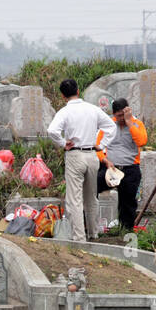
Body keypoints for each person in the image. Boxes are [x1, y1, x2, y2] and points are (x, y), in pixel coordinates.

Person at [46, 78, 116, 241]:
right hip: (92, 155)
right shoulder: (92, 109)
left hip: (75, 155)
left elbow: (52, 131)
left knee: (75, 199)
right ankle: (93, 233)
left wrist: (63, 143)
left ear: (63, 96)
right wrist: (101, 145)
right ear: (78, 91)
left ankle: (79, 237)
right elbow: (110, 127)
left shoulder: (64, 112)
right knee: (91, 197)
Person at [97, 97, 147, 232]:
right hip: (110, 168)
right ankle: (89, 223)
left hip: (130, 168)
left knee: (128, 202)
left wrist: (129, 122)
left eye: (123, 115)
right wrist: (105, 161)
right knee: (92, 187)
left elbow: (142, 141)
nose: (121, 118)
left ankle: (126, 230)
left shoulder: (136, 124)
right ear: (114, 114)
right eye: (118, 116)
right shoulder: (108, 125)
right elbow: (98, 147)